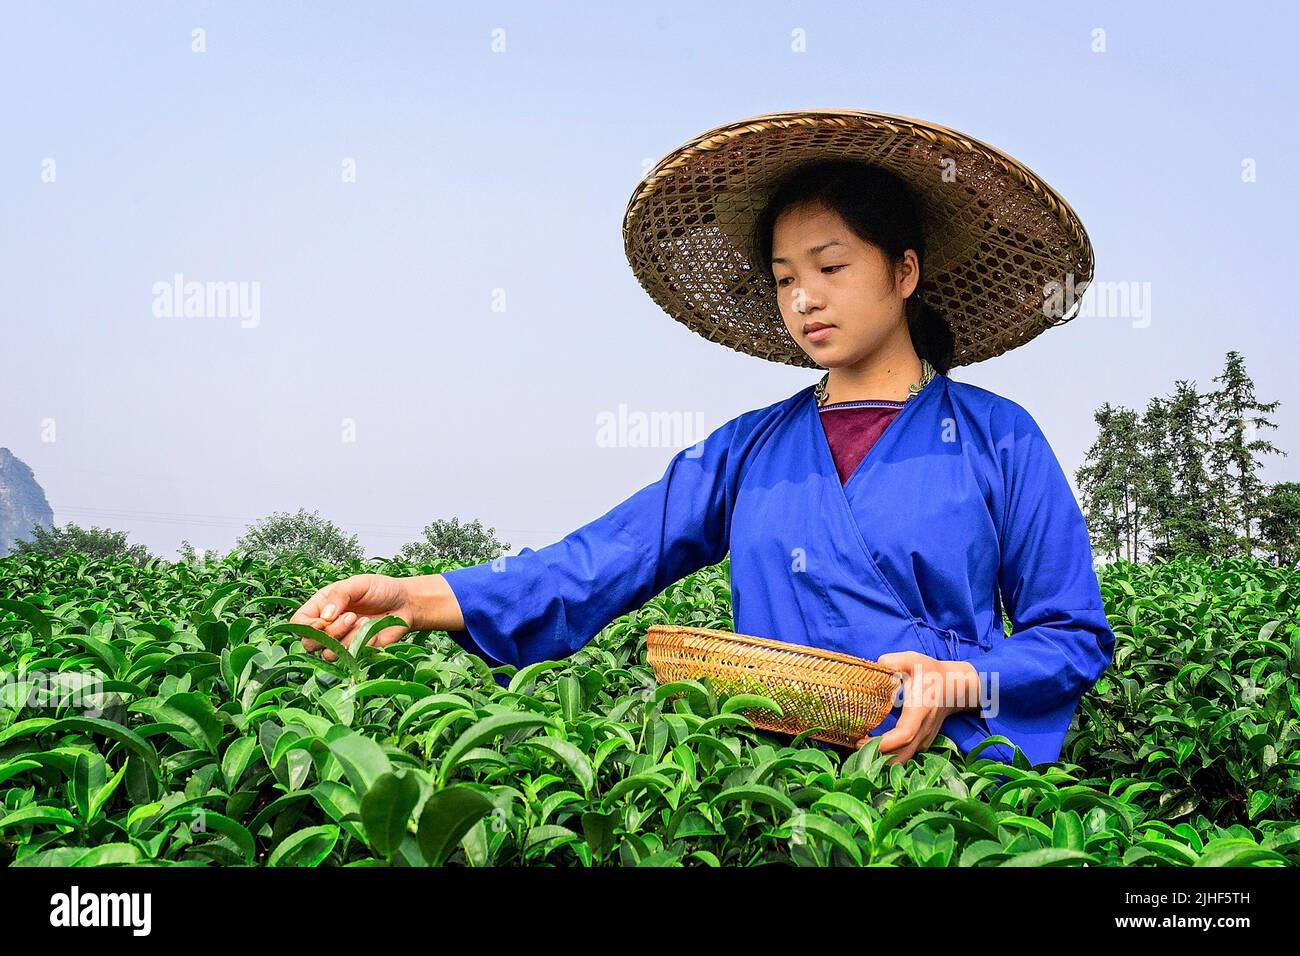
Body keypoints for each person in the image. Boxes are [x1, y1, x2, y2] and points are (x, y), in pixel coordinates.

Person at [290, 109, 1116, 768]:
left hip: (948, 788)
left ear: (903, 272)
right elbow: (601, 558)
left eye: (831, 268)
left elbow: (1072, 637)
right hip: (771, 787)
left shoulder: (998, 438)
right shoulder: (748, 450)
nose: (804, 300)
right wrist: (422, 595)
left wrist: (965, 680)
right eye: (786, 278)